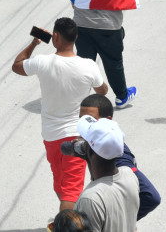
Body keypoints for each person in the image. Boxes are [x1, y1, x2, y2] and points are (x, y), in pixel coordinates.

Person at [12, 17, 108, 213]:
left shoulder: (42, 62)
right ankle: (69, 222)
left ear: (55, 36)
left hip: (51, 136)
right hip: (77, 136)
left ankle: (69, 218)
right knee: (70, 191)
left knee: (61, 186)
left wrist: (34, 43)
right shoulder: (89, 65)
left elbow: (17, 65)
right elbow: (103, 91)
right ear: (76, 38)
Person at [67, 0, 137, 108]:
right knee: (113, 62)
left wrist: (77, 2)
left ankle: (79, 99)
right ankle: (121, 97)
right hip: (108, 26)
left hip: (82, 24)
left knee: (84, 64)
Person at [79, 94, 161, 221]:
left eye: (91, 120)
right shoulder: (95, 144)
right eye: (82, 119)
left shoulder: (119, 161)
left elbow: (152, 197)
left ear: (108, 119)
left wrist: (123, 222)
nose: (85, 126)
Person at [73, 115, 140, 232]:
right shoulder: (129, 175)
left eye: (83, 140)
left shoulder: (90, 199)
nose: (79, 140)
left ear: (88, 150)